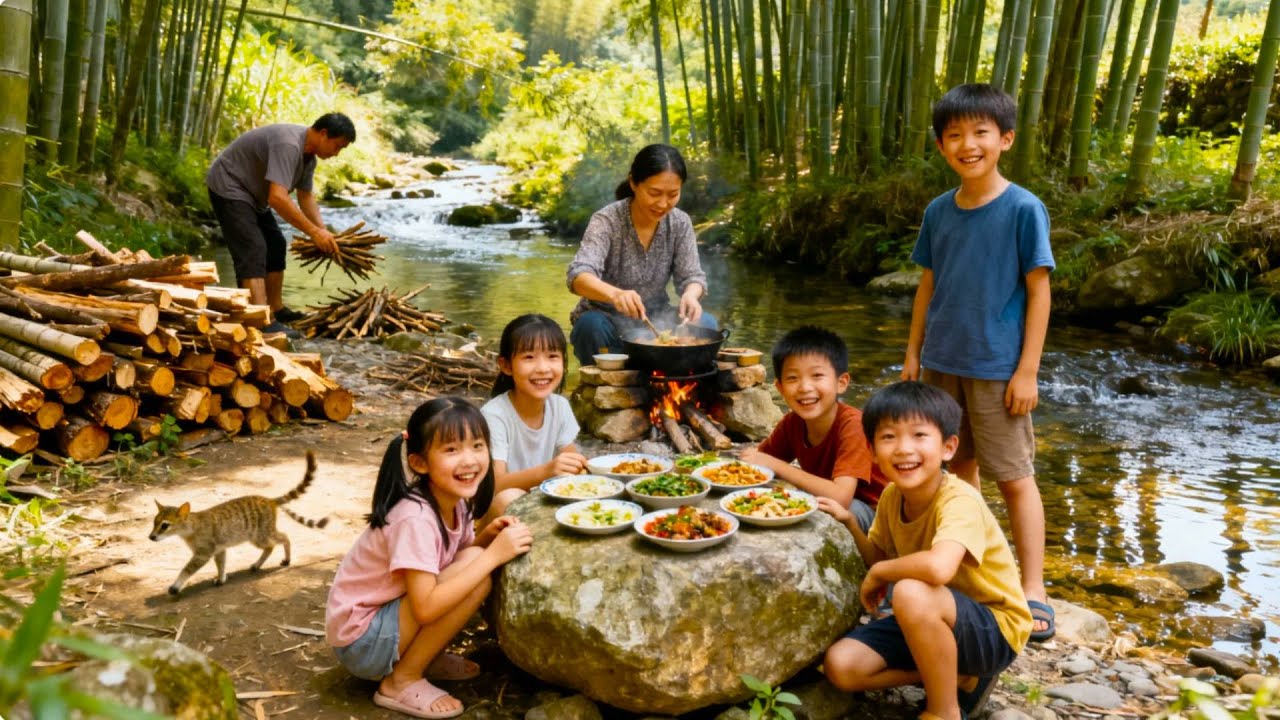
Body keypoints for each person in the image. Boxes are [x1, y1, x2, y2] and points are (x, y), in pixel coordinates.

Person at [901, 83, 1056, 642]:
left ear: (1005, 139)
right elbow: (928, 283)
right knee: (957, 475)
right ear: (942, 146)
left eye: (980, 133)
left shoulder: (1022, 208)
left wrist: (1027, 370)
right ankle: (971, 574)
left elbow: (1039, 292)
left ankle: (1032, 588)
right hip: (942, 360)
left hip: (997, 367)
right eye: (954, 136)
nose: (968, 144)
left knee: (1014, 477)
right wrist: (913, 352)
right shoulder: (939, 211)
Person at [818, 381, 1032, 720]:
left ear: (948, 447)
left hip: (992, 630)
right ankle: (959, 677)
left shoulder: (959, 500)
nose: (903, 449)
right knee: (841, 666)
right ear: (872, 451)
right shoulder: (892, 497)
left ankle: (943, 711)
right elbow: (880, 559)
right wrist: (850, 523)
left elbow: (937, 570)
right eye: (888, 437)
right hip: (926, 617)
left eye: (919, 436)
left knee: (910, 591)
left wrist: (881, 573)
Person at [325, 397, 533, 719]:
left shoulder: (454, 500)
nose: (469, 460)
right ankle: (401, 679)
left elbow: (456, 558)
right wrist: (494, 555)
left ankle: (420, 655)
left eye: (477, 446)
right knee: (478, 580)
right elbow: (426, 607)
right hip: (361, 641)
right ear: (420, 463)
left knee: (475, 559)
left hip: (387, 620)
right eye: (451, 450)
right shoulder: (415, 518)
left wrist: (487, 538)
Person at [566, 143, 717, 367]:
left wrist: (691, 295)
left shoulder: (679, 222)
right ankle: (605, 390)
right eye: (654, 193)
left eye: (673, 194)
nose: (663, 204)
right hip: (606, 323)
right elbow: (578, 276)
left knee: (706, 323)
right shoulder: (607, 221)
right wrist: (615, 295)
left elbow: (693, 277)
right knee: (590, 326)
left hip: (656, 322)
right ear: (633, 183)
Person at [206, 113, 356, 336]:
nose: (336, 154)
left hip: (254, 195)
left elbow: (306, 197)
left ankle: (276, 309)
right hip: (230, 184)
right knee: (253, 247)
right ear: (323, 134)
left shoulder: (309, 158)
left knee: (276, 243)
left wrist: (323, 232)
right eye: (337, 146)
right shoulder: (289, 144)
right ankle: (259, 321)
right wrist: (314, 232)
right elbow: (278, 198)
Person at [740, 326, 886, 533]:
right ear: (780, 388)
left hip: (875, 514)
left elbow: (841, 498)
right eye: (792, 378)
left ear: (841, 383)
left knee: (826, 507)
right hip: (842, 501)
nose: (805, 387)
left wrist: (777, 465)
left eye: (817, 376)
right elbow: (758, 463)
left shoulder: (853, 425)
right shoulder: (793, 422)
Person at [480, 314, 586, 520]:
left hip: (542, 502)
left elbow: (573, 462)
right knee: (509, 497)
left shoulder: (560, 406)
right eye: (529, 357)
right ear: (506, 365)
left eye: (552, 356)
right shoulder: (494, 416)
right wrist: (546, 471)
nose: (543, 368)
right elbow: (494, 486)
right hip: (498, 513)